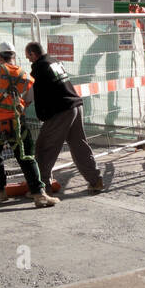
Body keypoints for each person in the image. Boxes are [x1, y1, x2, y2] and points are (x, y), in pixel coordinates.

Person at [0, 41, 59, 208]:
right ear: (13, 56)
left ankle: (0, 193)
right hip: (16, 123)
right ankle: (39, 195)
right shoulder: (24, 74)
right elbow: (29, 99)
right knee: (26, 158)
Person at [24, 42, 114, 195]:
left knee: (44, 147)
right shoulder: (53, 62)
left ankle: (41, 188)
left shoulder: (39, 67)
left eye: (28, 57)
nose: (28, 60)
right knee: (79, 146)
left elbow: (31, 94)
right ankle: (96, 180)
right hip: (75, 106)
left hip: (61, 110)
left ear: (33, 54)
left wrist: (21, 106)